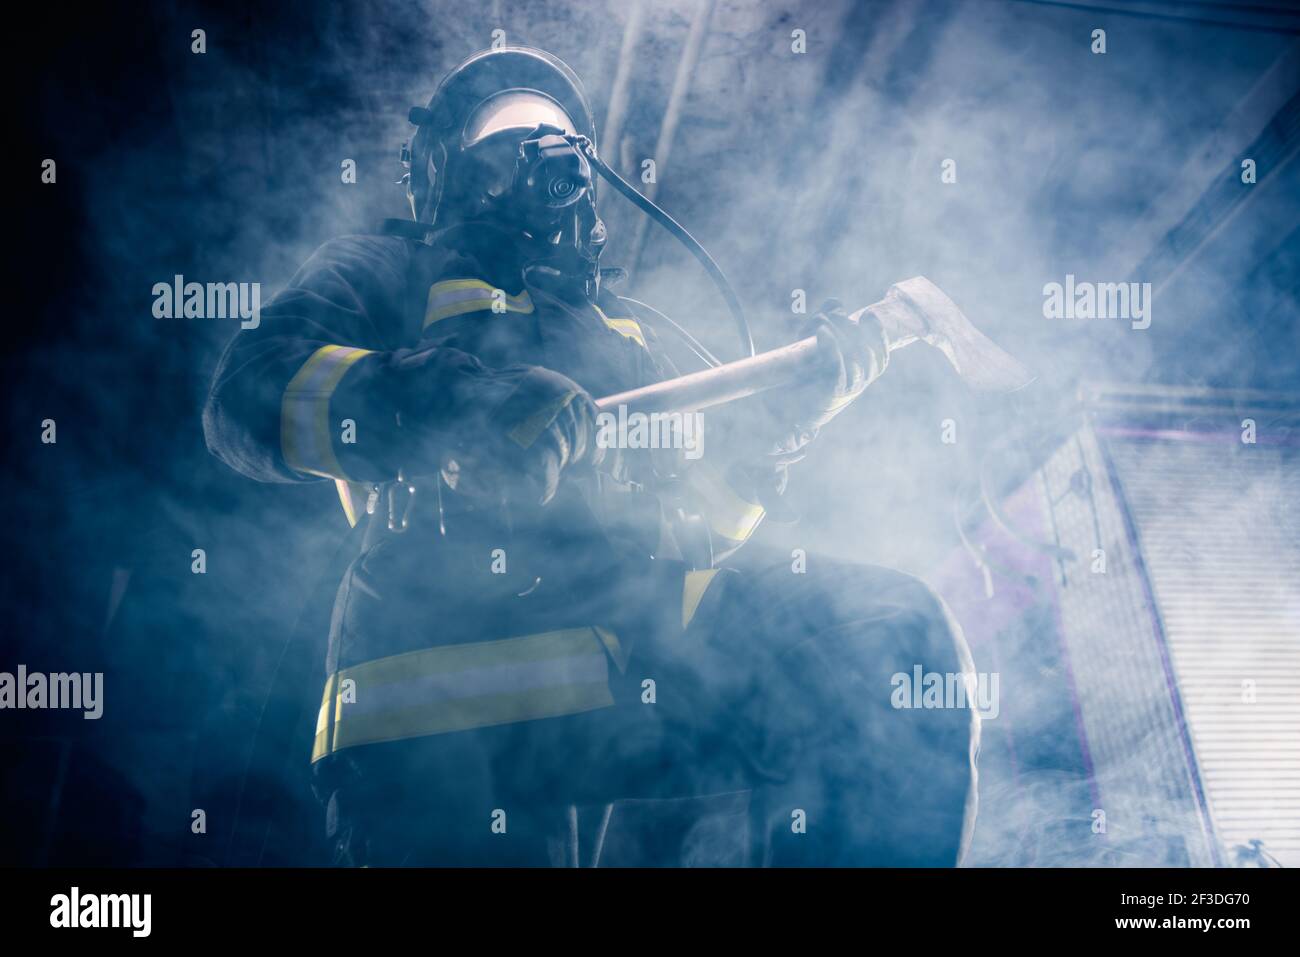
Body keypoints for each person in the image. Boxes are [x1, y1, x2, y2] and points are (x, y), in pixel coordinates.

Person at [203, 46, 979, 866]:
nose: (540, 143)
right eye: (505, 129)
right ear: (449, 166)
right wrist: (453, 406)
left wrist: (773, 431)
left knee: (888, 631)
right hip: (427, 705)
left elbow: (700, 526)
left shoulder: (625, 329)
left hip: (609, 656)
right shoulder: (388, 267)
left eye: (560, 131)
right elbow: (246, 396)